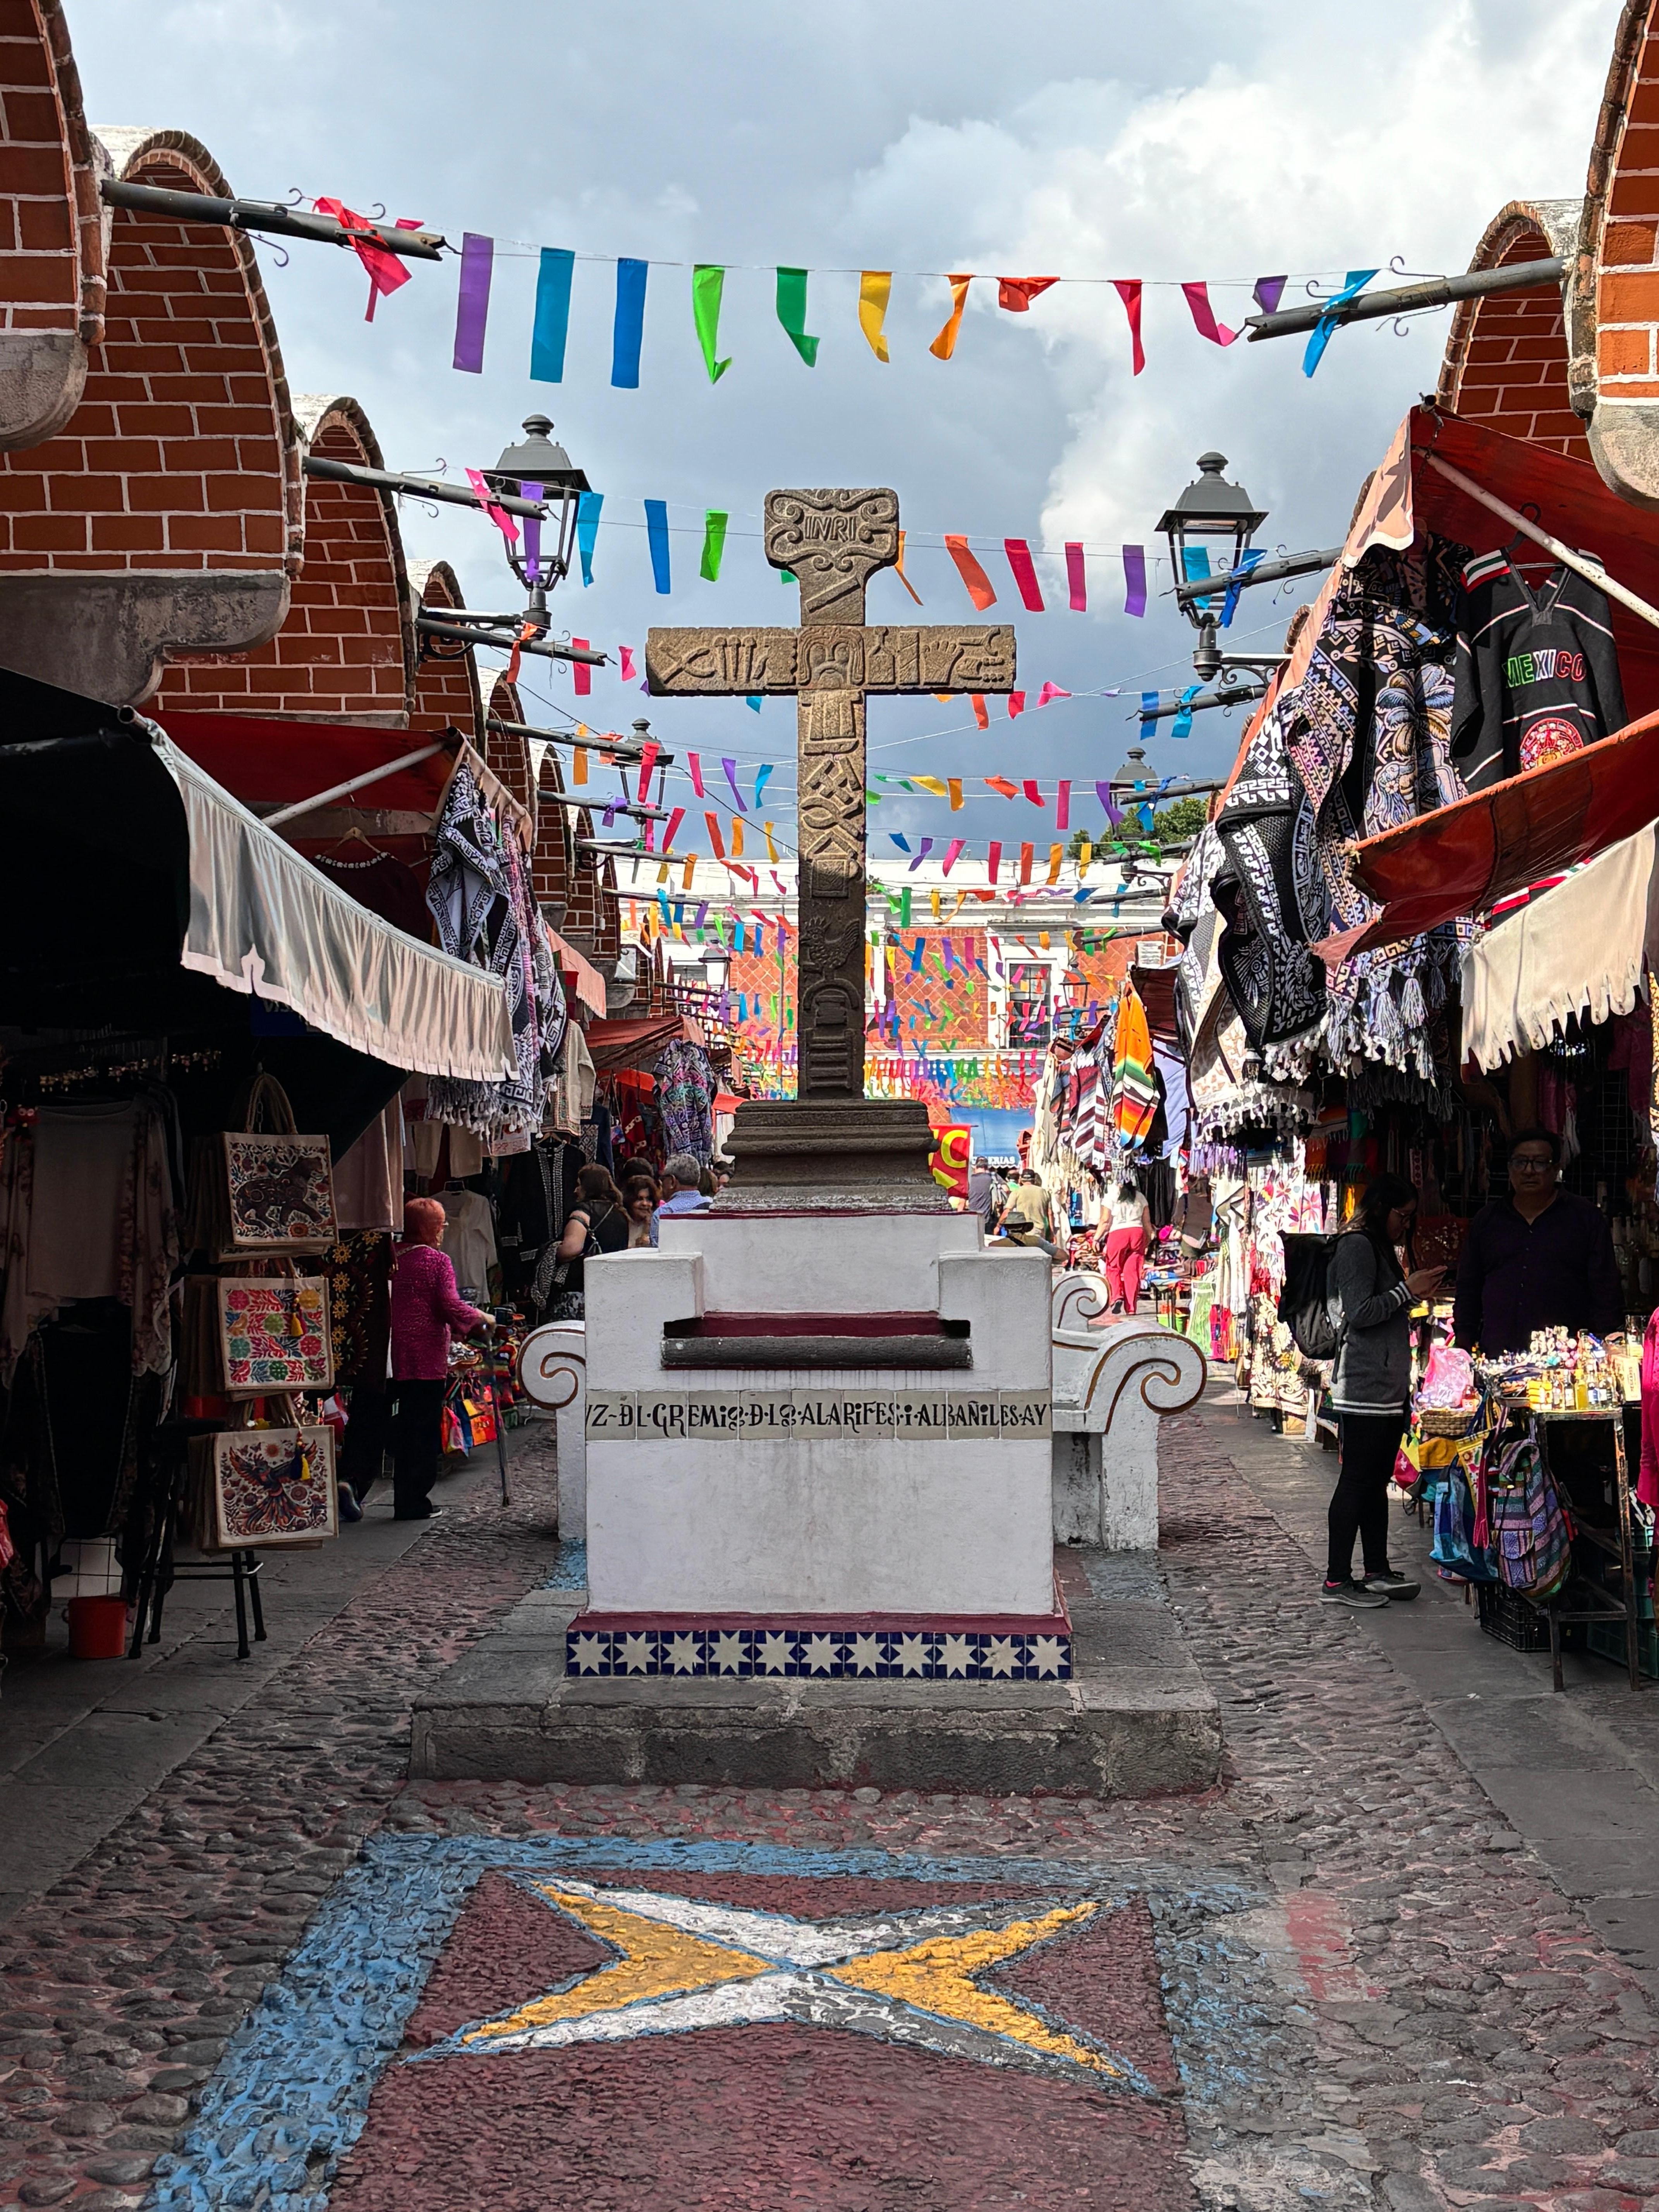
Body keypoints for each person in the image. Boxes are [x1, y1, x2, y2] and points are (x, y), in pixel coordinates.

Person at [1323, 1173, 1443, 1608]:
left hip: (1385, 1385)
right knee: (1357, 1481)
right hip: (1364, 1386)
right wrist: (1406, 1291)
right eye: (1402, 1216)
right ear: (1381, 1209)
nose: (1405, 1227)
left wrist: (1410, 1294)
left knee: (1375, 1482)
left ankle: (1375, 1569)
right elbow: (1359, 1312)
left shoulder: (1378, 1248)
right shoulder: (1357, 1246)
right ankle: (1338, 1579)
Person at [1453, 1127, 1623, 1353]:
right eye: (1520, 1162)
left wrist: (1608, 1345)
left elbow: (1606, 1289)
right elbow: (1469, 1287)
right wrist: (1463, 1346)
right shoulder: (1488, 1221)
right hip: (1499, 1354)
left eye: (1540, 1163)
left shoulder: (1585, 1218)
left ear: (1555, 1169)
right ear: (1509, 1169)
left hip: (1566, 1357)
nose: (1529, 1171)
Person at [389, 1197, 492, 1523]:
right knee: (423, 1431)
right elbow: (450, 1304)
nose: (444, 1230)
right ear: (429, 1228)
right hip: (426, 1356)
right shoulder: (436, 1261)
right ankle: (413, 1501)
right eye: (441, 1224)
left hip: (394, 1355)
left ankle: (403, 1496)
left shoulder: (393, 1258)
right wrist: (481, 1317)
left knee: (406, 1428)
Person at [546, 1164, 629, 1319]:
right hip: (610, 1289)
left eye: (579, 1185)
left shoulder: (583, 1212)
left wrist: (554, 1249)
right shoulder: (620, 1213)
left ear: (588, 1186)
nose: (576, 1190)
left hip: (580, 1291)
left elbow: (571, 1249)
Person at [1100, 1178, 1152, 1315]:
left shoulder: (1111, 1195)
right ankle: (1131, 1308)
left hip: (1118, 1234)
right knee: (1133, 1272)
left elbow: (1105, 1221)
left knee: (1113, 1267)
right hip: (1137, 1233)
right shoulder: (1140, 1197)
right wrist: (1147, 1239)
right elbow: (1147, 1222)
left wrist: (1096, 1238)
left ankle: (1117, 1297)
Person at [996, 1170, 1057, 1257]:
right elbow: (1050, 1214)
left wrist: (998, 1226)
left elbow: (1007, 1212)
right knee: (1038, 1258)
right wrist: (1052, 1232)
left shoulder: (1017, 1192)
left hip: (1023, 1231)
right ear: (1034, 1180)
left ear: (1021, 1179)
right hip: (1039, 1231)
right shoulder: (1044, 1193)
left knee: (1025, 1258)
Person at [658, 1152, 712, 1220]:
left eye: (663, 1179)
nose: (662, 1184)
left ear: (672, 1181)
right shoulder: (713, 1205)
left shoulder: (663, 1213)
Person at [624, 1180, 658, 1250]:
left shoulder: (656, 1224)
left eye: (649, 1199)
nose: (645, 1204)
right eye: (640, 1199)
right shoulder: (620, 1223)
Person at [966, 1156, 996, 1224]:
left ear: (976, 1167)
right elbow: (1006, 1189)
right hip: (986, 1217)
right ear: (987, 1168)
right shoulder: (991, 1177)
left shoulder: (970, 1179)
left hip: (972, 1216)